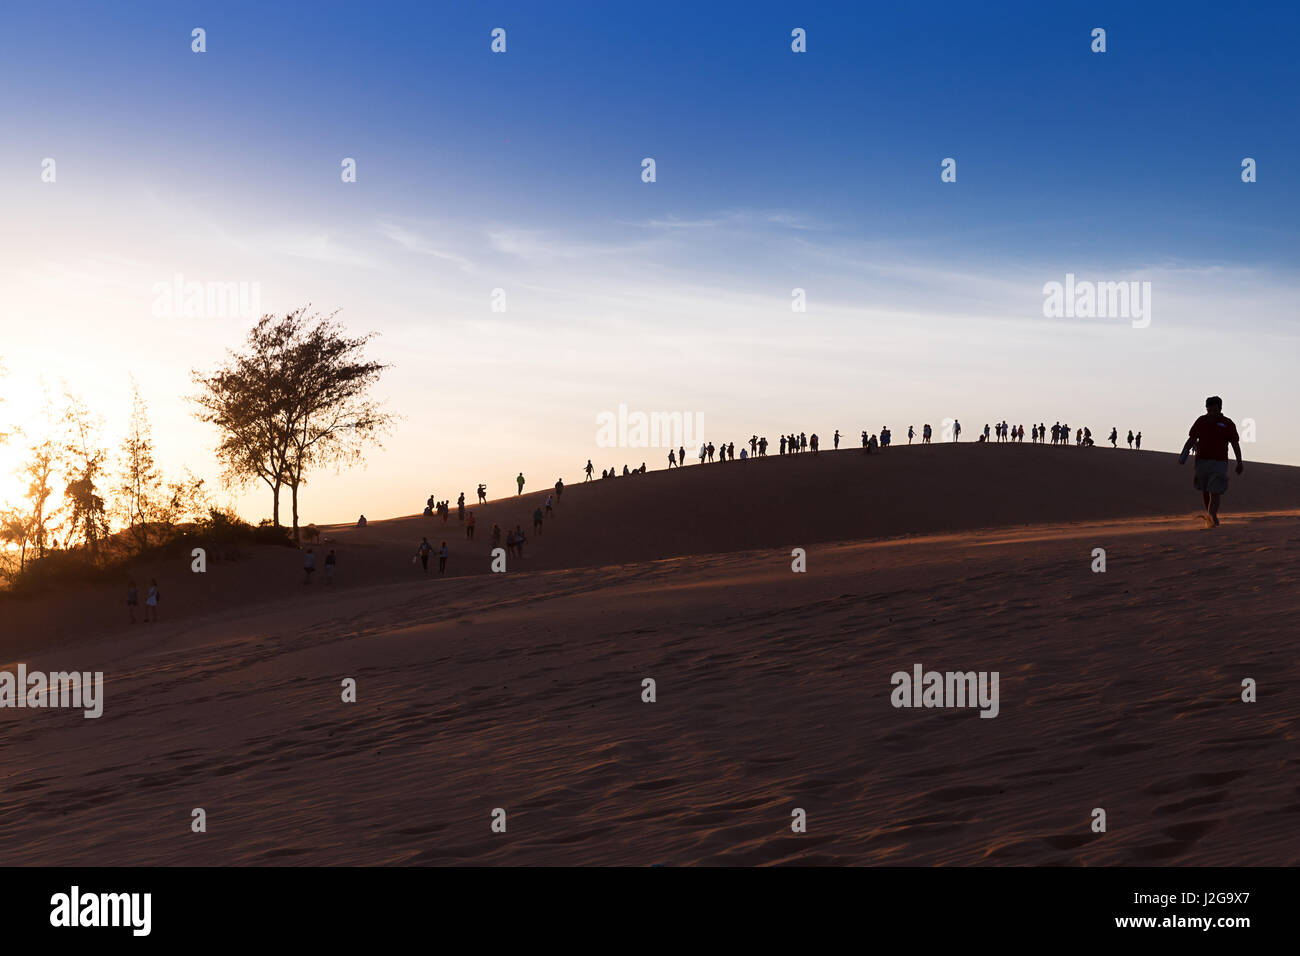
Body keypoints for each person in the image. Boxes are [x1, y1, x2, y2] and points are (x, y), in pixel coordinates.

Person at [1180, 395, 1243, 527]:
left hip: (1219, 462)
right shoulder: (1201, 421)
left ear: (1220, 409)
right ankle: (1209, 514)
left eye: (1214, 410)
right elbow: (1192, 439)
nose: (1211, 413)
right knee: (1205, 489)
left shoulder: (1227, 423)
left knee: (1215, 489)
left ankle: (1212, 514)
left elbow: (1235, 443)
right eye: (1209, 410)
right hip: (1201, 461)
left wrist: (1239, 461)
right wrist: (1184, 454)